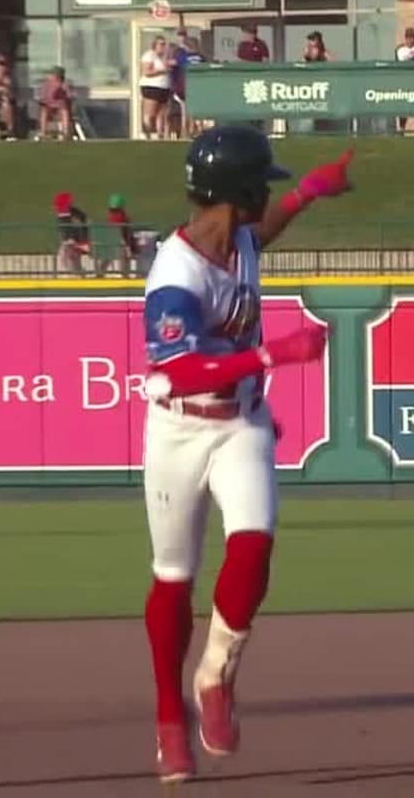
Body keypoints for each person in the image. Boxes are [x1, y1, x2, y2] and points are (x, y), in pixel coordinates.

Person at [141, 126, 352, 782]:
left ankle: (216, 674)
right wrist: (273, 353)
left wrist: (312, 193)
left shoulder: (239, 240)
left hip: (241, 423)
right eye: (264, 184)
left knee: (254, 546)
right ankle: (168, 718)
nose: (271, 192)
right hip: (178, 430)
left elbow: (268, 233)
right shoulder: (175, 274)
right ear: (235, 194)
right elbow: (177, 370)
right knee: (174, 577)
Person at [36, 66, 75, 141]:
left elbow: (69, 97)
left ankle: (65, 132)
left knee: (64, 111)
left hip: (61, 107)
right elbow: (42, 98)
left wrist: (64, 92)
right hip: (49, 107)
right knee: (44, 111)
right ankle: (43, 132)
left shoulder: (64, 84)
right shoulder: (46, 84)